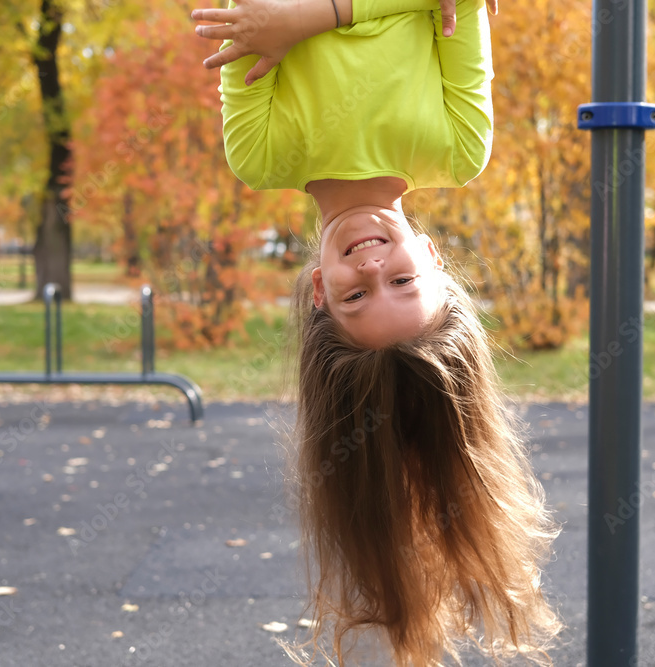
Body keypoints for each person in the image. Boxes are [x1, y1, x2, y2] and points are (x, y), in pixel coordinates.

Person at [193, 0, 561, 664]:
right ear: (434, 258)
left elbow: (241, 15)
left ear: (320, 290)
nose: (371, 267)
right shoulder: (460, 146)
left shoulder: (259, 154)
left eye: (357, 295)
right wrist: (315, 18)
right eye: (403, 281)